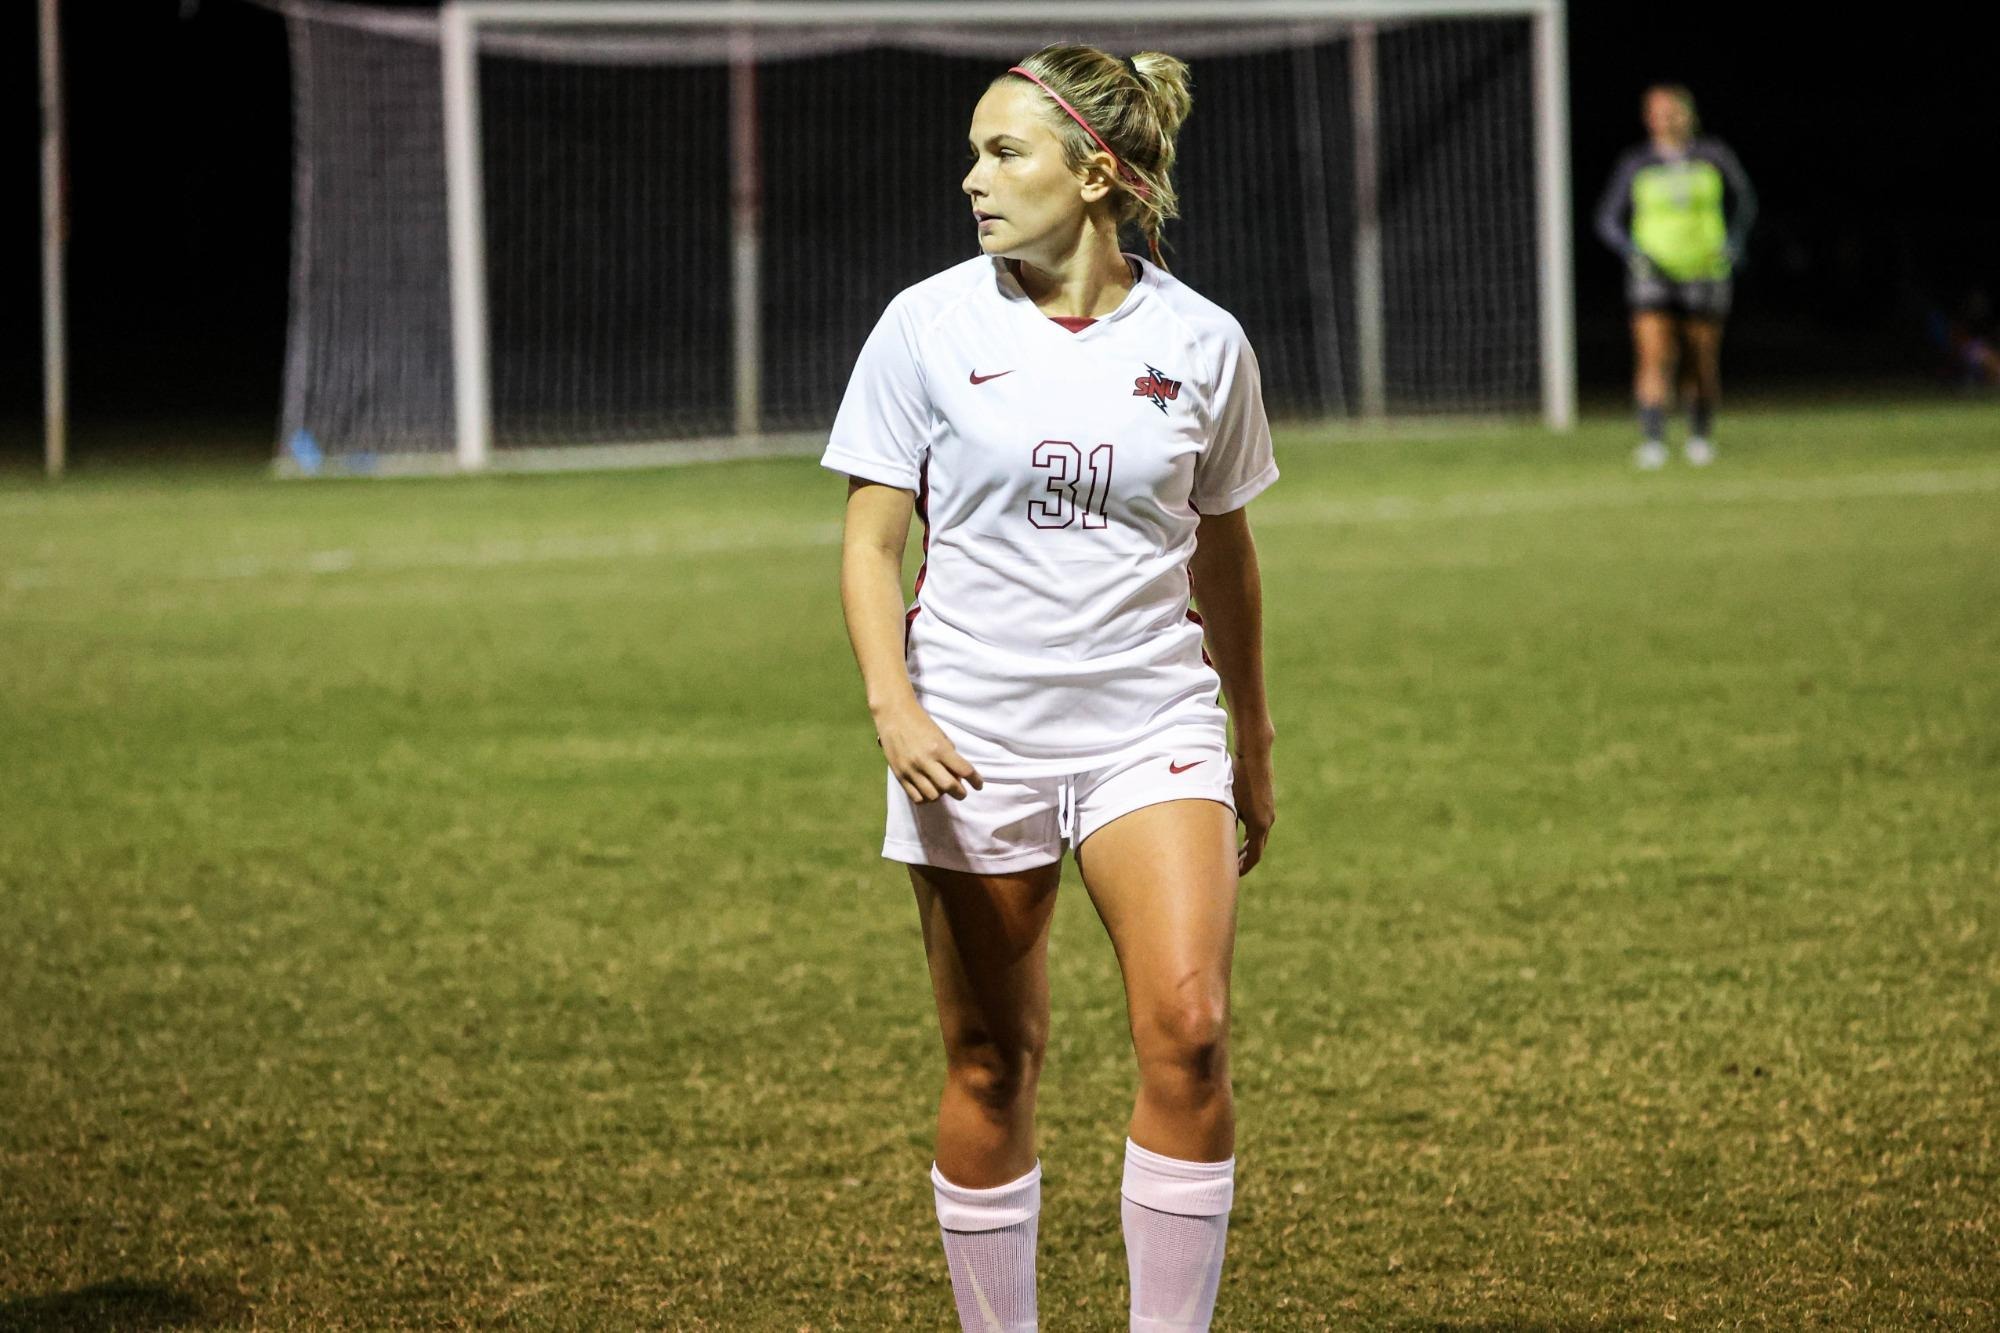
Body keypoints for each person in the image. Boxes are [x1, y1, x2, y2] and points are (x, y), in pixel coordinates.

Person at [821, 43, 1278, 1333]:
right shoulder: (926, 323)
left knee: (1187, 1030)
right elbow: (870, 539)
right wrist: (893, 708)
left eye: (1002, 152)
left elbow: (1225, 551)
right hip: (973, 735)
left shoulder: (1201, 342)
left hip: (1151, 722)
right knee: (990, 1059)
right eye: (974, 151)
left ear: (1094, 173)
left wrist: (1249, 732)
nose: (972, 177)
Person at [1594, 84, 1757, 469]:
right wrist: (1632, 252)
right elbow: (1607, 219)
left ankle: (1699, 437)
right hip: (1654, 274)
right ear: (1648, 118)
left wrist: (1733, 244)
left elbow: (1744, 202)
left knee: (1700, 359)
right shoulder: (1636, 162)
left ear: (1689, 114)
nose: (1666, 118)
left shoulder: (1714, 156)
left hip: (1704, 270)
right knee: (1655, 356)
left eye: (1674, 111)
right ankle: (1653, 441)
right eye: (1658, 111)